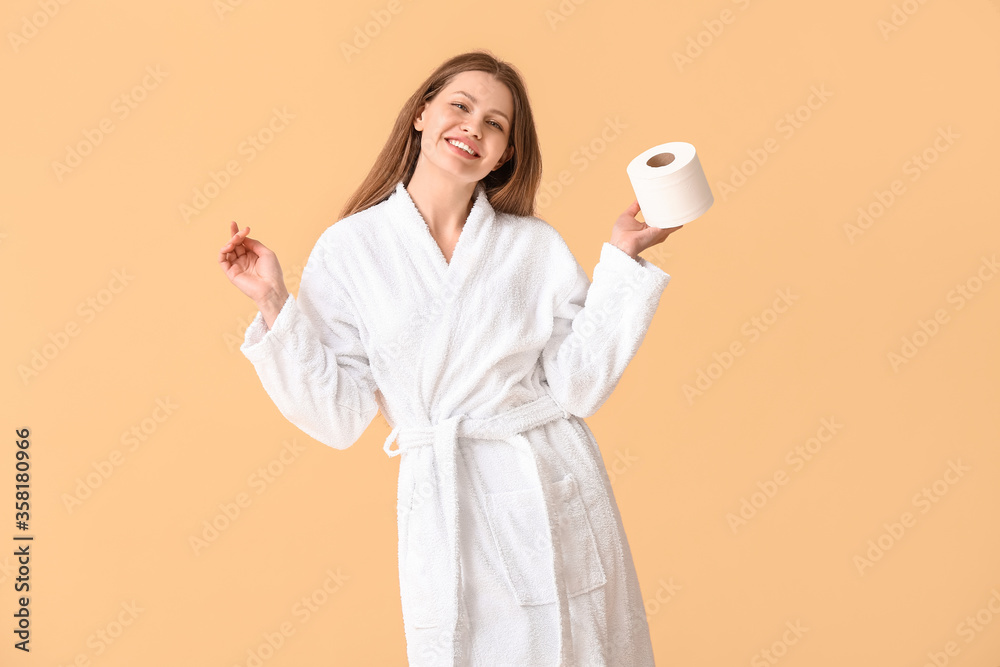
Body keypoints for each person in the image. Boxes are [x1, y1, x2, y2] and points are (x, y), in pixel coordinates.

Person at [218, 49, 682, 666]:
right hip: (444, 498)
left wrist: (622, 262)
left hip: (545, 485)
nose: (473, 127)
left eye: (495, 124)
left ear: (506, 153)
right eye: (460, 106)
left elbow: (579, 387)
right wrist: (275, 300)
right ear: (421, 114)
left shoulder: (532, 247)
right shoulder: (351, 248)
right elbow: (337, 416)